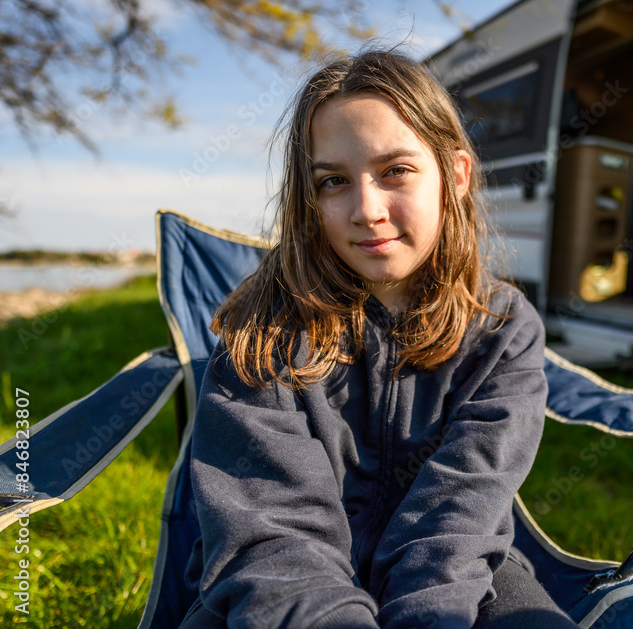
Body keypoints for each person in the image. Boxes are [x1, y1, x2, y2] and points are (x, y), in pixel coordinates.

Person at [177, 50, 580, 629]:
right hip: (279, 594)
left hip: (465, 575)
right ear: (309, 199)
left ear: (457, 176)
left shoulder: (502, 331)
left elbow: (460, 515)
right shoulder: (262, 336)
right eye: (334, 181)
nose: (366, 210)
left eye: (395, 171)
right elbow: (272, 540)